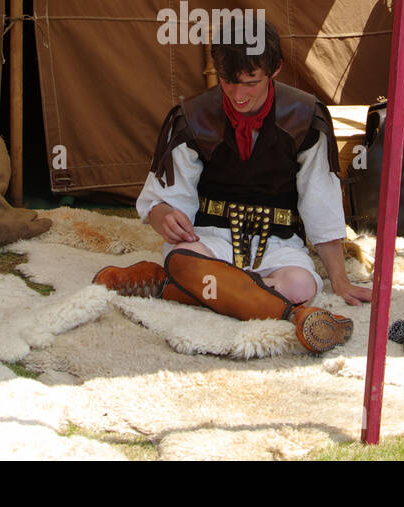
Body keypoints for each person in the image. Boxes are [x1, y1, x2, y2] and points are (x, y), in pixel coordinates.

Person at [93, 20, 372, 353]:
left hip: (278, 243)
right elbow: (162, 199)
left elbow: (320, 202)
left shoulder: (304, 118)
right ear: (217, 70)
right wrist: (163, 214)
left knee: (300, 284)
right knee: (184, 258)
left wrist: (339, 280)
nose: (239, 95)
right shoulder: (193, 117)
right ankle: (293, 315)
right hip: (211, 242)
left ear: (275, 69)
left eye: (251, 83)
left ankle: (167, 285)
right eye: (228, 81)